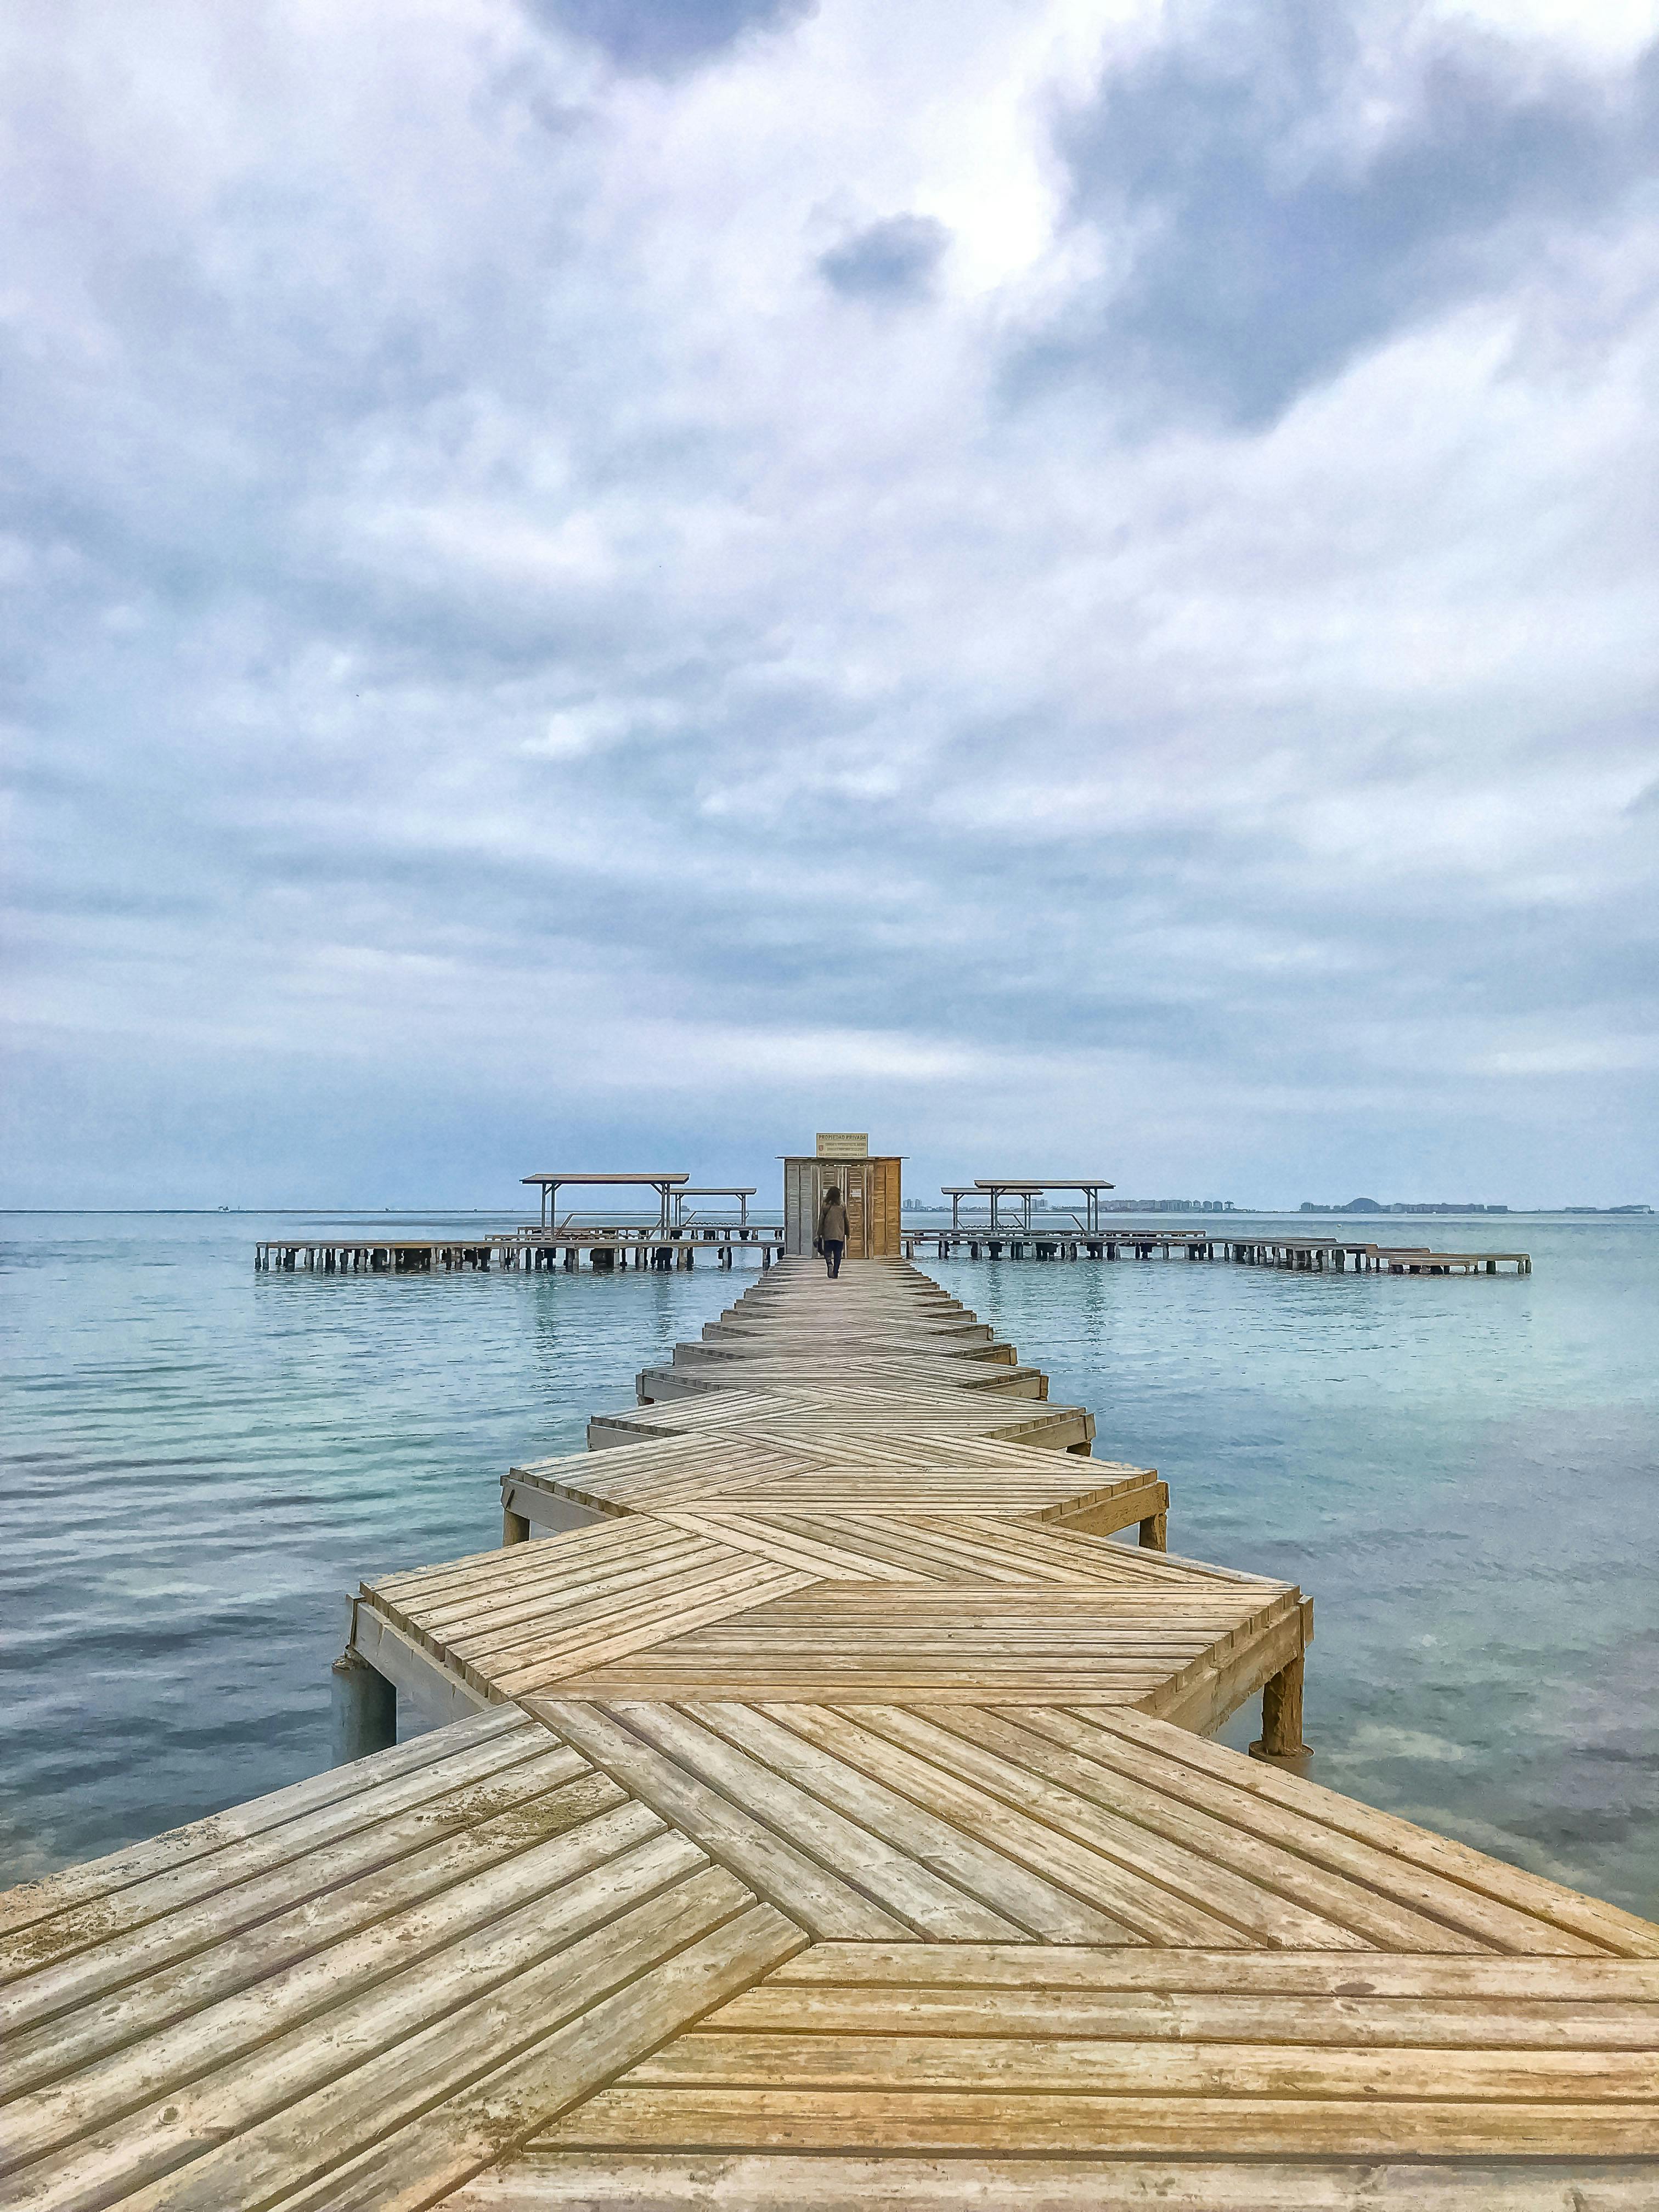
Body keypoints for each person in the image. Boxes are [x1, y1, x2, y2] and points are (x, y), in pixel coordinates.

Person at [816, 1185, 848, 1278]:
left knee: (828, 1252)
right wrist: (848, 1233)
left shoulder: (825, 1205)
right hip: (839, 1234)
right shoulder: (842, 1206)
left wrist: (819, 1233)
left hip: (828, 1234)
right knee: (838, 1254)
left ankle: (829, 1263)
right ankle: (836, 1272)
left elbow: (821, 1220)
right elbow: (846, 1220)